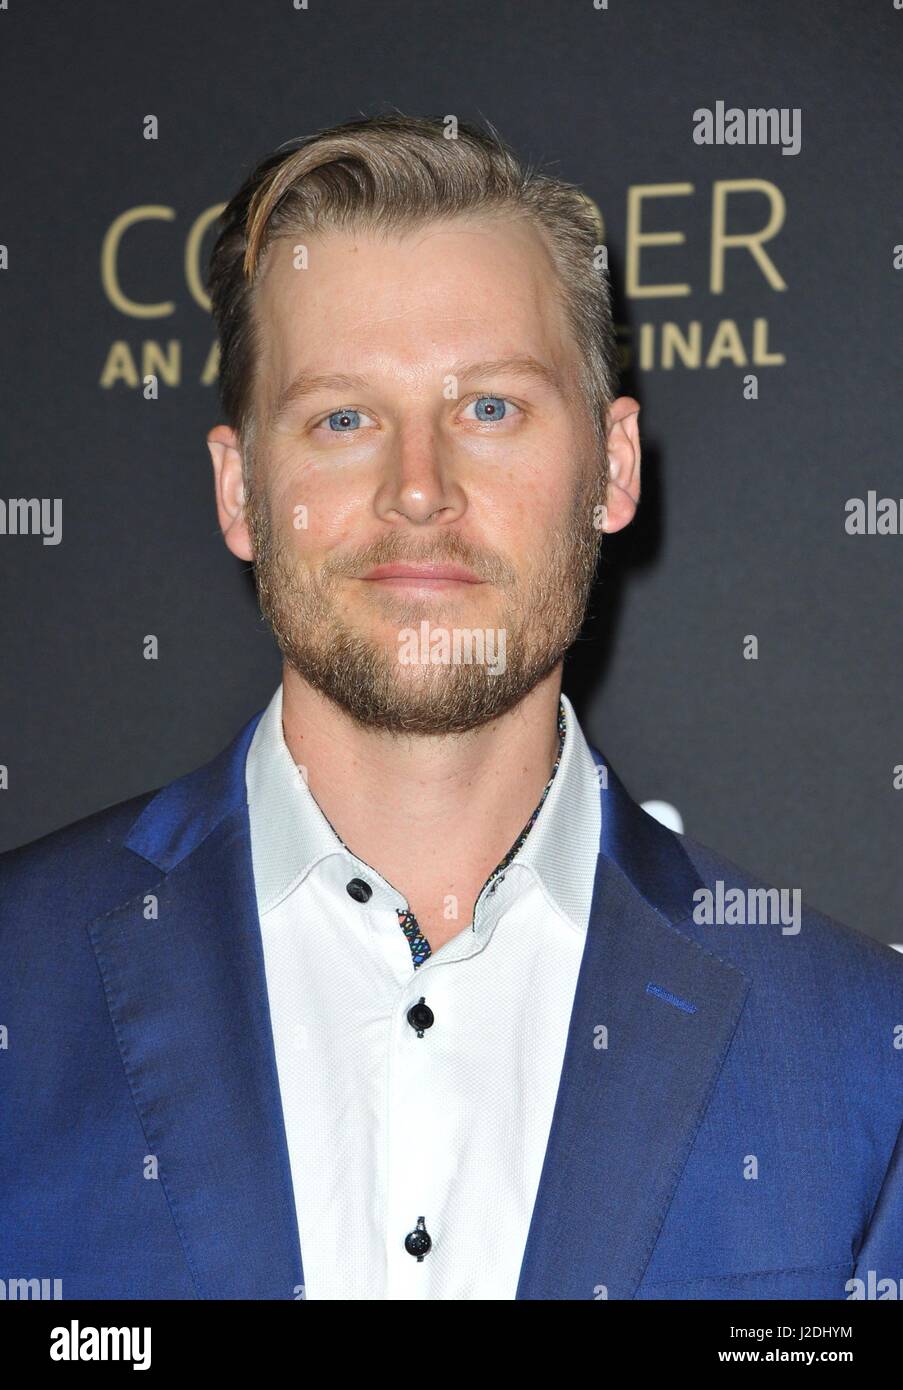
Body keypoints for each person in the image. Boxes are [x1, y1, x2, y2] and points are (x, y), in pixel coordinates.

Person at [1, 114, 901, 1302]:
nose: (417, 488)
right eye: (342, 418)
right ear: (238, 491)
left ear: (614, 469)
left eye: (489, 408)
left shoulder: (856, 1057)